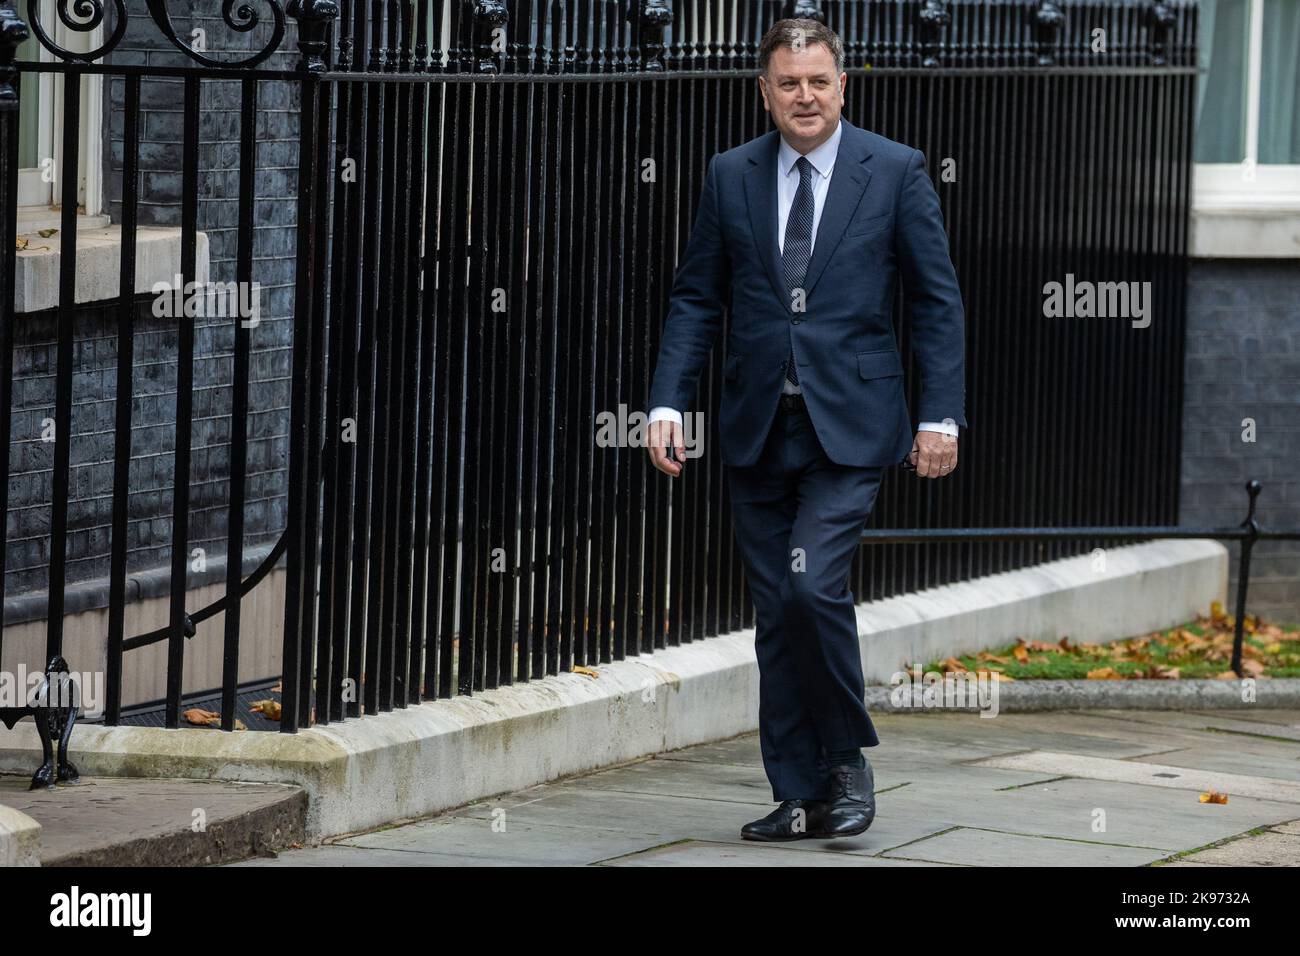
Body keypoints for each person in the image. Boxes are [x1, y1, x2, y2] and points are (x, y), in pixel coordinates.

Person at [645, 17, 966, 841]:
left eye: (818, 81)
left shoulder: (893, 171)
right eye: (788, 83)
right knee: (774, 611)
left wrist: (940, 416)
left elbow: (935, 301)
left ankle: (848, 765)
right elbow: (695, 297)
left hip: (851, 427)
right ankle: (797, 792)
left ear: (842, 85)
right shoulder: (730, 175)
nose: (805, 97)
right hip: (758, 424)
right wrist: (667, 404)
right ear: (765, 91)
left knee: (810, 585)